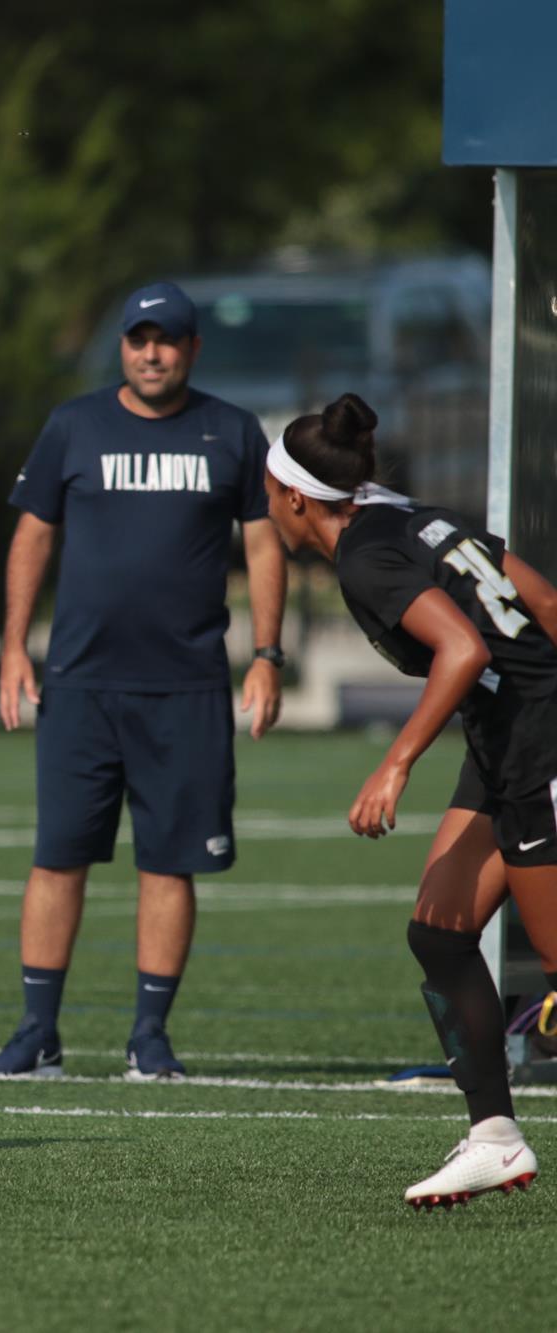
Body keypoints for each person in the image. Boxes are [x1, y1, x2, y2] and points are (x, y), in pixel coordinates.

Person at [0, 281, 286, 1080]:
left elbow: (263, 544)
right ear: (122, 346)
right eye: (138, 338)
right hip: (81, 684)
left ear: (192, 348)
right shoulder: (74, 425)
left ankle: (149, 1035)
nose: (151, 352)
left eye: (167, 339)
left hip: (186, 687)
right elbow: (33, 533)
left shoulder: (231, 431)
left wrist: (268, 653)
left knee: (171, 861)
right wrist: (15, 646)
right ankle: (37, 1033)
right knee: (58, 856)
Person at [265, 392, 557, 1209]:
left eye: (266, 490)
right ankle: (495, 1137)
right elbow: (547, 603)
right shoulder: (414, 519)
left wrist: (393, 765)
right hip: (509, 742)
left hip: (538, 745)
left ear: (293, 496)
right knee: (439, 930)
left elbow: (461, 650)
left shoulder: (364, 555)